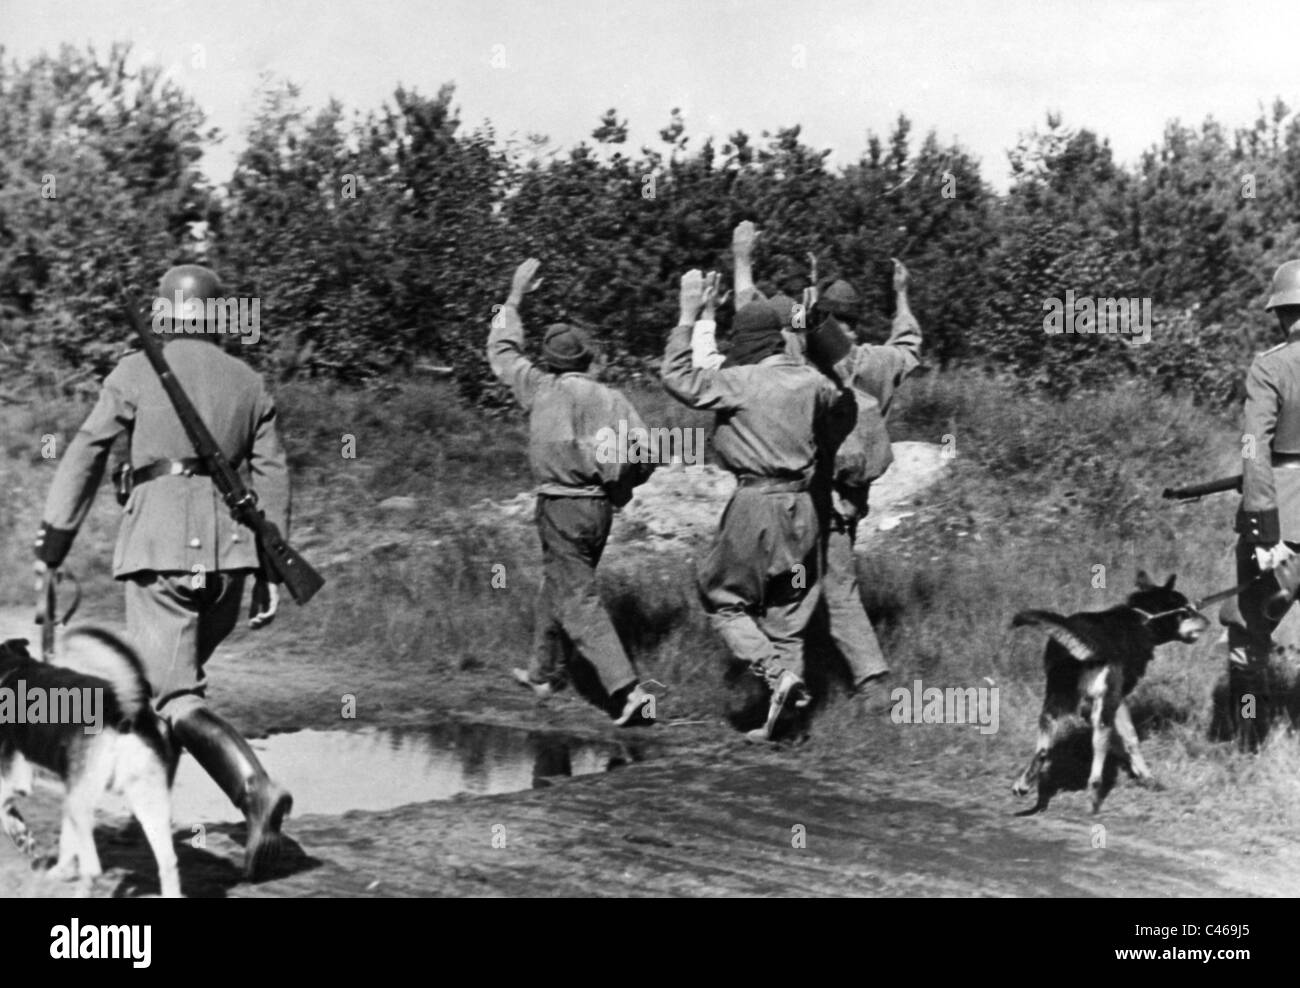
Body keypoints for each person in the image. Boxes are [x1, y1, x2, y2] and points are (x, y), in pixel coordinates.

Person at [34, 264, 293, 880]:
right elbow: (273, 475)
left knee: (173, 694)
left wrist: (54, 540)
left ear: (165, 313)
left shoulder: (134, 371)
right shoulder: (250, 382)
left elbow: (88, 451)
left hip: (159, 555)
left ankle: (254, 789)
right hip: (229, 560)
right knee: (169, 688)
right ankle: (159, 820)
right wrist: (270, 570)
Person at [663, 269, 852, 741]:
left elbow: (678, 377)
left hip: (755, 504)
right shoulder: (814, 385)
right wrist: (810, 325)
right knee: (788, 616)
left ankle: (775, 674)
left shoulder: (740, 382)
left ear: (749, 342)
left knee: (722, 601)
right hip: (805, 509)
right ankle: (784, 726)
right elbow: (845, 376)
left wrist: (689, 316)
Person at [487, 258, 656, 726]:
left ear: (551, 360)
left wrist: (515, 296)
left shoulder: (539, 387)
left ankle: (626, 690)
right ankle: (543, 672)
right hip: (599, 510)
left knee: (576, 597)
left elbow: (501, 350)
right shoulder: (613, 399)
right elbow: (648, 454)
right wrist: (621, 486)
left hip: (561, 505)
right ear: (586, 358)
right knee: (560, 585)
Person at [805, 260, 922, 712]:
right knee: (834, 580)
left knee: (816, 584)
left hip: (809, 494)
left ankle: (869, 680)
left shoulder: (811, 362)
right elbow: (909, 342)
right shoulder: (878, 362)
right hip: (851, 498)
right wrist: (902, 294)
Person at [1220, 259, 1300, 750]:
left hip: (1286, 526)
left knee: (1248, 626)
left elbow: (1255, 450)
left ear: (1280, 313)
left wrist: (1264, 535)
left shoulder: (1271, 367)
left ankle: (1247, 741)